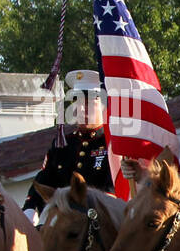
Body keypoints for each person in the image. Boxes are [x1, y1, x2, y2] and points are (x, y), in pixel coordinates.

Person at [22, 69, 113, 221]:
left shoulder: (111, 144)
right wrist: (30, 208)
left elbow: (113, 193)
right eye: (77, 102)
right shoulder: (62, 145)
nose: (81, 109)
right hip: (59, 223)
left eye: (89, 103)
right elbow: (43, 180)